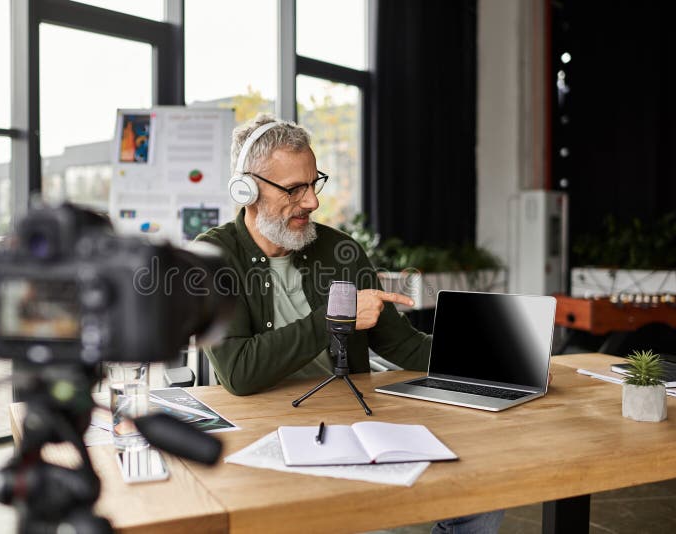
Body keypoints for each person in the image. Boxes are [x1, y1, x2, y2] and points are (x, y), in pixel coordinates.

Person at [197, 114, 503, 533]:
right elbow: (239, 373)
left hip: (350, 422)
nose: (312, 202)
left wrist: (488, 354)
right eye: (294, 189)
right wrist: (335, 319)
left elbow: (403, 346)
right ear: (246, 190)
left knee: (485, 493)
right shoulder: (213, 257)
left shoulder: (339, 250)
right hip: (265, 433)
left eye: (313, 182)